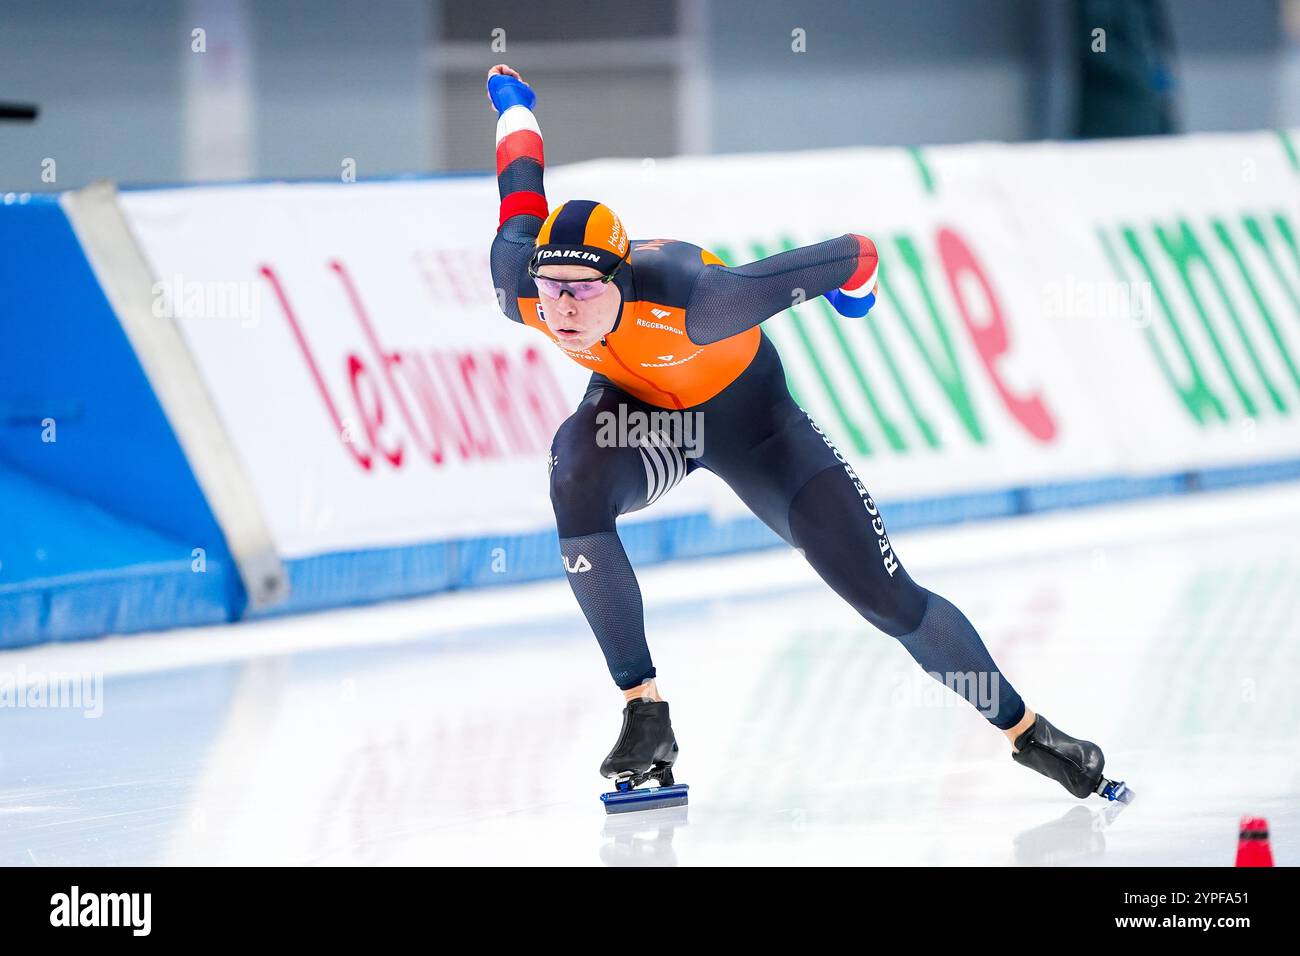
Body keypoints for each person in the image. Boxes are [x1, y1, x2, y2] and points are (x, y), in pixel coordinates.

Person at [484, 64, 1130, 805]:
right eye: (552, 288)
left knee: (888, 601)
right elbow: (521, 184)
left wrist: (861, 292)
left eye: (583, 289)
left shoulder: (702, 302)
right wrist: (513, 103)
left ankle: (1029, 731)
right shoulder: (521, 286)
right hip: (637, 415)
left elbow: (854, 252)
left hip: (753, 427)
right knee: (573, 473)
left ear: (622, 280)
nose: (562, 307)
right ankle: (644, 711)